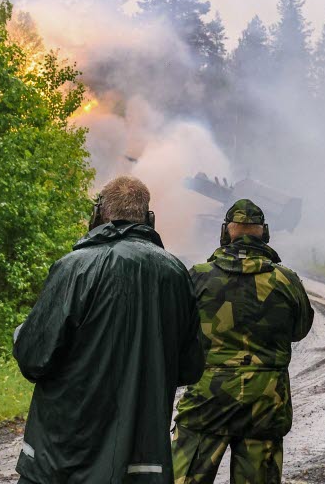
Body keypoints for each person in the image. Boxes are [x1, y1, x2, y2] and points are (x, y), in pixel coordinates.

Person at [13, 175, 205, 483]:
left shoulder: (74, 267)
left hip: (62, 461)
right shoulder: (176, 274)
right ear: (149, 219)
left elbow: (33, 359)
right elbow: (191, 368)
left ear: (98, 215)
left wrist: (23, 333)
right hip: (141, 464)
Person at [171, 199, 314, 484]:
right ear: (265, 233)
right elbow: (299, 330)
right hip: (266, 402)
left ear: (226, 233)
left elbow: (178, 331)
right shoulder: (286, 280)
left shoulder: (198, 277)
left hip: (208, 398)